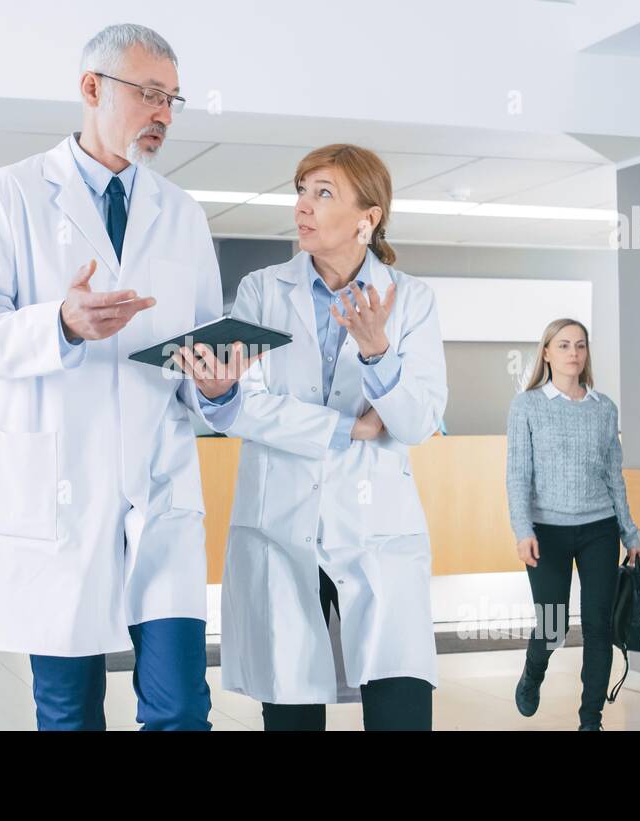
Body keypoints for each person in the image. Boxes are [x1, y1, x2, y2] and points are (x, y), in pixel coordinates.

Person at [0, 23, 256, 731]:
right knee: (69, 712)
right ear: (91, 89)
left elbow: (198, 354)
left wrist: (216, 386)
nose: (165, 115)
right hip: (57, 497)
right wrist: (59, 323)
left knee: (181, 712)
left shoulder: (182, 215)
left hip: (161, 492)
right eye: (150, 94)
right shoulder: (11, 195)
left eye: (173, 99)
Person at [220, 144, 448, 730]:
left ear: (368, 217)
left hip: (377, 532)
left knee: (399, 707)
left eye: (323, 192)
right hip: (282, 524)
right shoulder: (263, 291)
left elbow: (418, 421)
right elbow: (239, 406)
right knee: (291, 709)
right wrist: (349, 427)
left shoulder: (412, 301)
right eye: (300, 189)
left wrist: (377, 349)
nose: (302, 205)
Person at [506, 317, 640, 731]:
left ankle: (591, 721)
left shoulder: (604, 409)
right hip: (546, 531)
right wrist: (523, 530)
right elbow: (517, 475)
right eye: (564, 345)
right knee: (551, 627)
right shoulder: (527, 405)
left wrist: (630, 532)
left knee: (598, 628)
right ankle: (533, 675)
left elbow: (613, 475)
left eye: (580, 346)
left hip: (598, 528)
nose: (573, 353)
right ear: (546, 353)